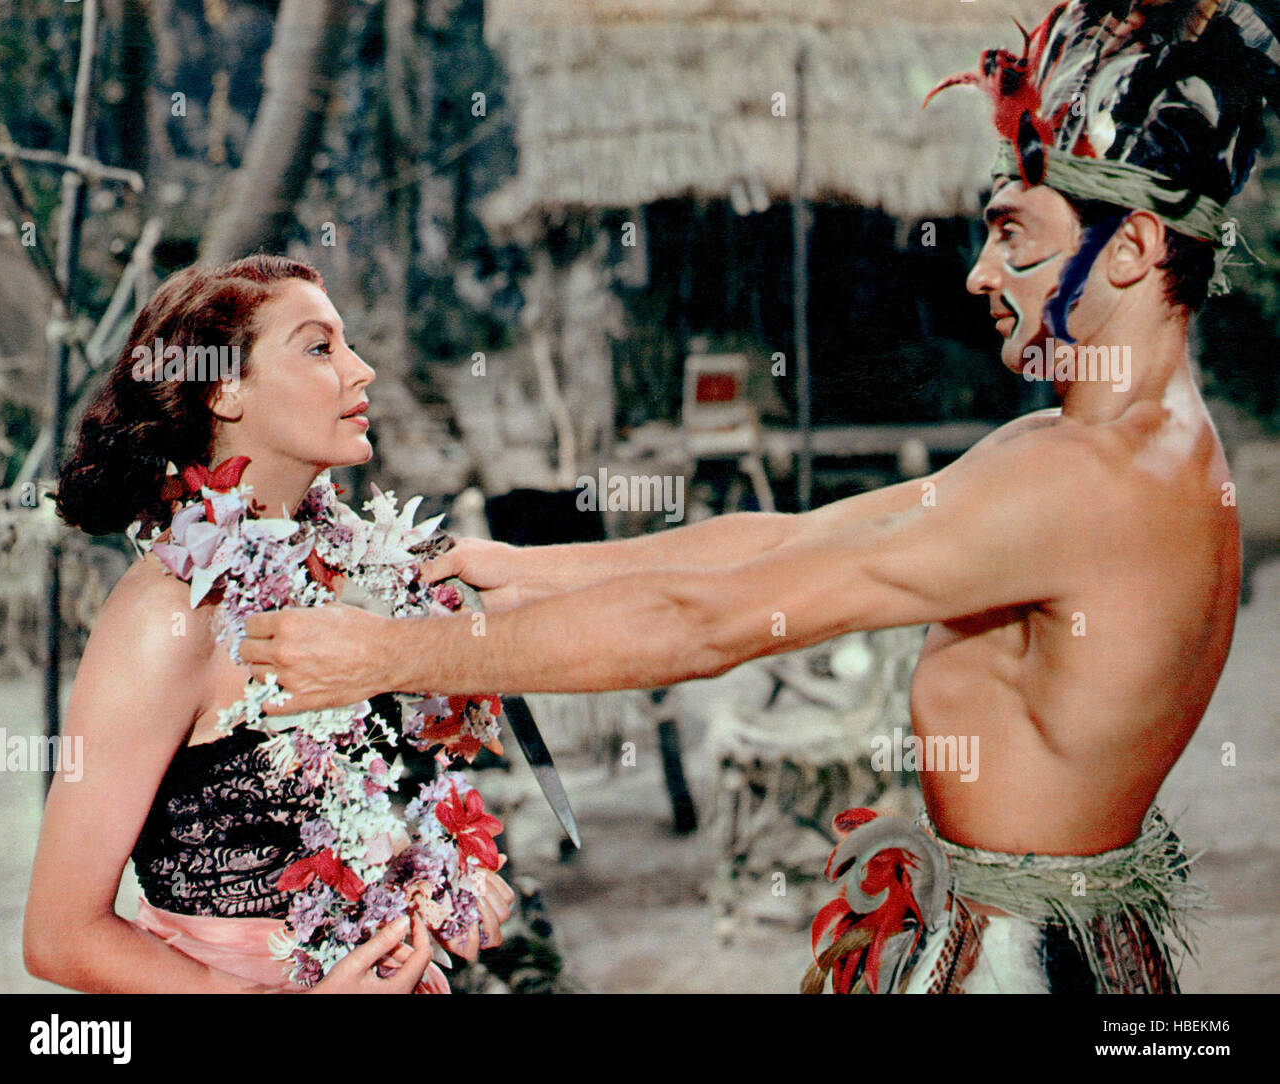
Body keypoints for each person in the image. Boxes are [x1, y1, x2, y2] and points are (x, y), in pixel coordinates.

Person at [240, 0, 1278, 992]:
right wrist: (537, 569)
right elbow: (789, 538)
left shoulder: (1078, 483)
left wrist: (388, 657)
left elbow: (708, 622)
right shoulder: (1118, 447)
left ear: (1132, 250)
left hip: (1020, 963)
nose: (978, 273)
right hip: (1054, 934)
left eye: (1014, 235)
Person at [24, 255, 513, 993]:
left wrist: (429, 881)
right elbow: (59, 936)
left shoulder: (329, 569)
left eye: (347, 344)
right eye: (319, 348)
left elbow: (322, 822)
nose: (362, 370)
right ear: (223, 389)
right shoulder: (167, 617)